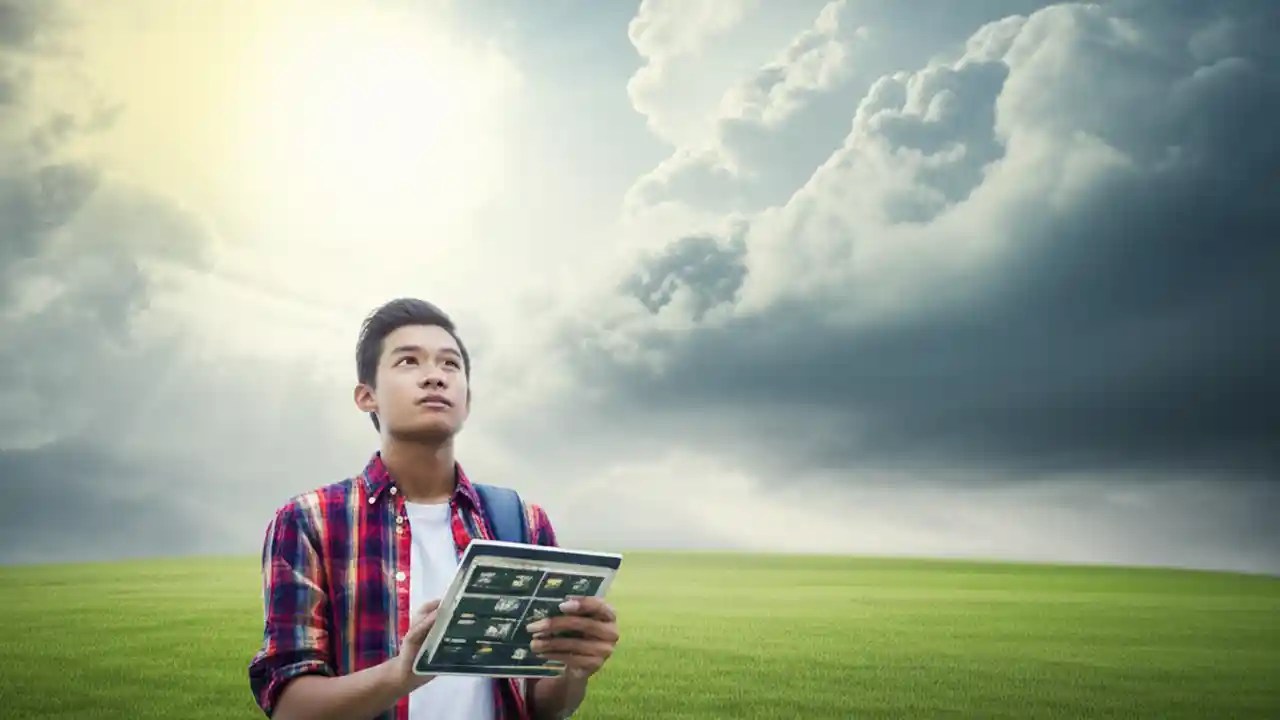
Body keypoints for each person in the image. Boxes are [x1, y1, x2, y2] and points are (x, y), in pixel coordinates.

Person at [248, 298, 620, 719]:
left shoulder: (522, 521)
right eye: (408, 361)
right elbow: (290, 708)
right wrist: (401, 674)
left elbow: (540, 704)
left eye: (450, 364)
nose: (435, 376)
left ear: (467, 400)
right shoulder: (310, 521)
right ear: (367, 396)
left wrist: (572, 669)